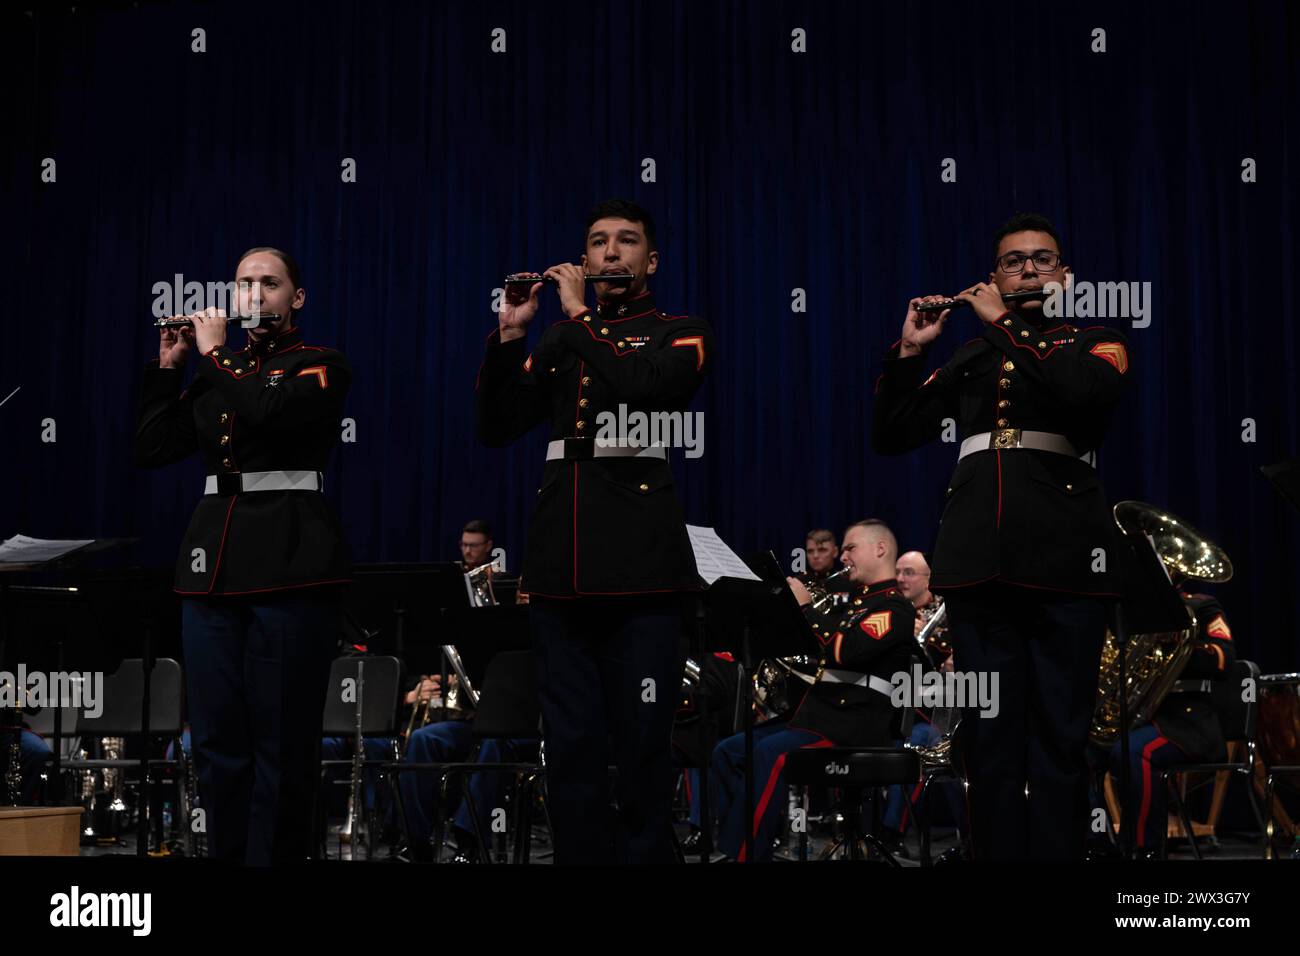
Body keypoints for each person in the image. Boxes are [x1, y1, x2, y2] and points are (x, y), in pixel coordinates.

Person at [873, 212, 1131, 861]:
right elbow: (892, 434)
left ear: (1066, 276)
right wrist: (911, 351)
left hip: (1066, 565)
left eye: (1042, 260)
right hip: (978, 564)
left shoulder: (1094, 342)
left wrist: (1003, 324)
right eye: (1013, 262)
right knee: (987, 740)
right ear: (993, 275)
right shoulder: (973, 353)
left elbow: (1083, 400)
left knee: (1059, 737)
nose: (1027, 271)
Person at [476, 198, 712, 863]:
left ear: (651, 259)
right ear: (582, 258)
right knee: (571, 740)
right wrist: (513, 334)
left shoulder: (680, 329)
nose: (610, 253)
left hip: (642, 563)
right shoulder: (558, 339)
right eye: (598, 243)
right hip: (562, 562)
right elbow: (496, 428)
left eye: (626, 242)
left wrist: (577, 315)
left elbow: (652, 391)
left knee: (642, 737)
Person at [134, 247, 351, 864]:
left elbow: (268, 409)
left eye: (270, 282)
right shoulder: (213, 370)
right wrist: (169, 368)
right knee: (217, 744)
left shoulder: (319, 362)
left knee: (281, 745)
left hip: (290, 564)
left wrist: (213, 354)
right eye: (244, 282)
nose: (255, 292)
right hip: (213, 567)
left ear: (296, 298)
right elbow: (150, 449)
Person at [711, 519, 915, 861]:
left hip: (853, 723)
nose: (844, 556)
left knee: (769, 754)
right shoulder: (858, 603)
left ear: (880, 549)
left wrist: (804, 607)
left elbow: (842, 651)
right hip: (822, 714)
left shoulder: (894, 608)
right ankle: (737, 842)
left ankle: (747, 854)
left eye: (850, 547)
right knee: (728, 752)